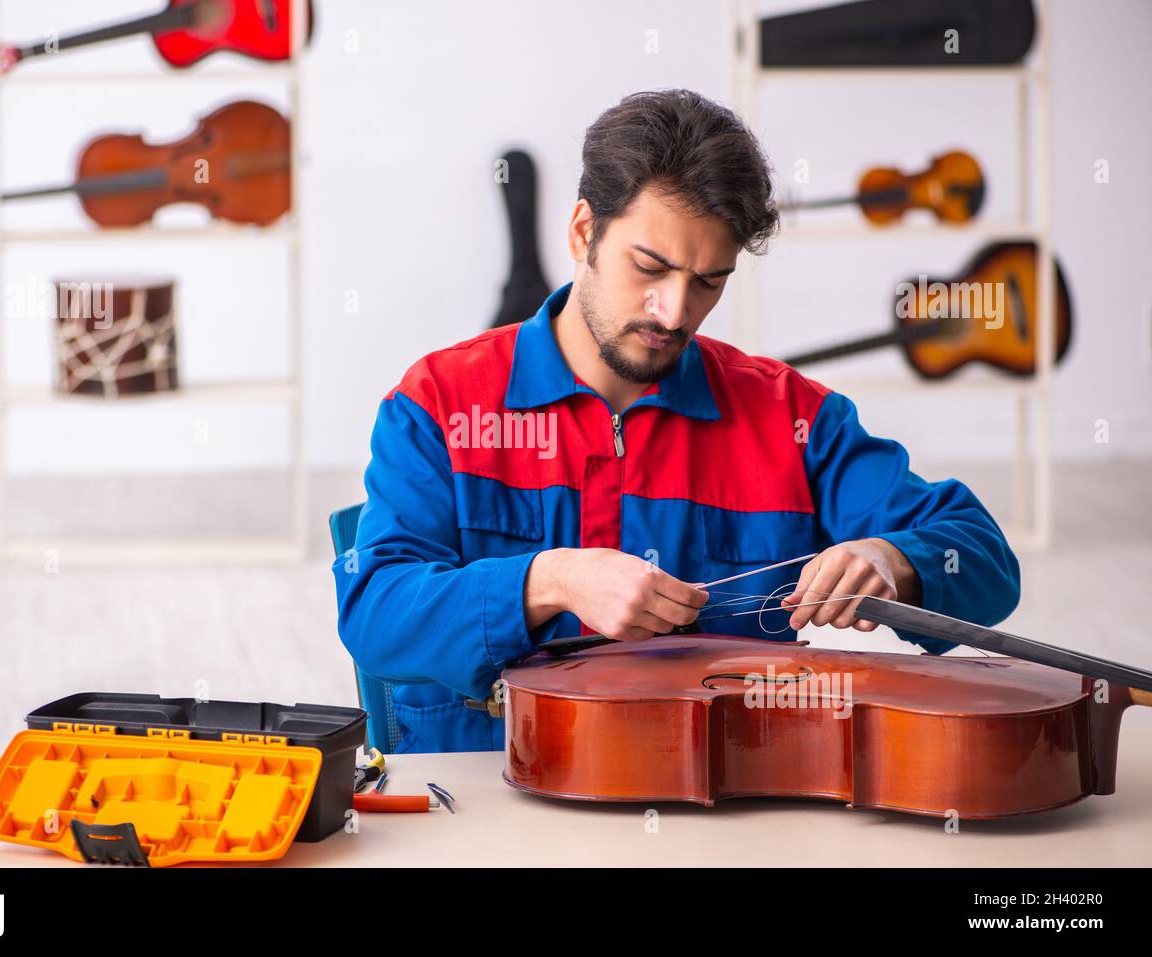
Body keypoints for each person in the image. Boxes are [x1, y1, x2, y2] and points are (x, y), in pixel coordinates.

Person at [333, 89, 1020, 753]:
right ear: (583, 232)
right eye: (650, 268)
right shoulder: (439, 404)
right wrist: (546, 580)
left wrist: (894, 559)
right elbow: (375, 609)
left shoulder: (793, 419)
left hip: (723, 808)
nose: (673, 311)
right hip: (490, 806)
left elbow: (985, 560)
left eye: (707, 281)